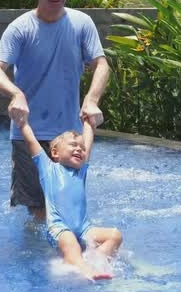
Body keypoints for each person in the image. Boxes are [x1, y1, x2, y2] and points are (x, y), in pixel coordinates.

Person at [0, 0, 110, 222]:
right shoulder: (20, 28)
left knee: (68, 203)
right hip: (28, 133)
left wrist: (91, 99)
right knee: (38, 211)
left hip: (68, 136)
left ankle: (67, 246)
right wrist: (16, 94)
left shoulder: (82, 23)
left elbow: (101, 64)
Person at [17, 112, 122, 280]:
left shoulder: (81, 171)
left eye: (82, 148)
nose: (79, 149)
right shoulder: (48, 169)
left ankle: (96, 258)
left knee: (115, 235)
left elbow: (88, 142)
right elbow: (31, 143)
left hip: (84, 228)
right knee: (70, 243)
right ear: (55, 152)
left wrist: (88, 123)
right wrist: (23, 124)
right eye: (73, 145)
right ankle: (84, 268)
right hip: (59, 228)